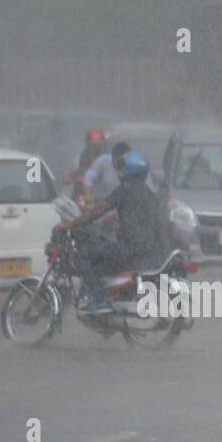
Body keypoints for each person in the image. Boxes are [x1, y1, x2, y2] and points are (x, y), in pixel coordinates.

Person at [53, 151, 164, 316]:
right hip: (148, 250)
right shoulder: (151, 195)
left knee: (82, 257)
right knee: (103, 256)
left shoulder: (124, 190)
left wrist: (70, 223)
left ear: (126, 171)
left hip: (127, 249)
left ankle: (99, 298)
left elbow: (97, 212)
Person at [82, 141, 130, 210]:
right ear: (113, 157)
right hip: (101, 205)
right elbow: (89, 176)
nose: (120, 164)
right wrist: (87, 194)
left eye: (123, 161)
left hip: (122, 207)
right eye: (118, 160)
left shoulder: (133, 167)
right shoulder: (103, 160)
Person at [66, 128, 107, 201]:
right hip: (83, 194)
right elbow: (69, 175)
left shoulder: (108, 160)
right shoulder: (79, 159)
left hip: (103, 195)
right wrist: (70, 177)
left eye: (98, 146)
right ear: (88, 144)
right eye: (93, 146)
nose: (95, 149)